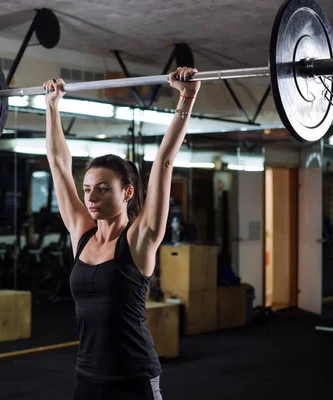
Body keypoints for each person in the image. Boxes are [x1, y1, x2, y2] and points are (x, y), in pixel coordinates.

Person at [43, 66, 200, 400]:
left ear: (127, 193)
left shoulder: (139, 240)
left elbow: (165, 162)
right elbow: (58, 164)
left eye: (102, 189)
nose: (91, 197)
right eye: (87, 189)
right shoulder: (81, 234)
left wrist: (187, 96)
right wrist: (52, 107)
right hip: (86, 375)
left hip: (133, 377)